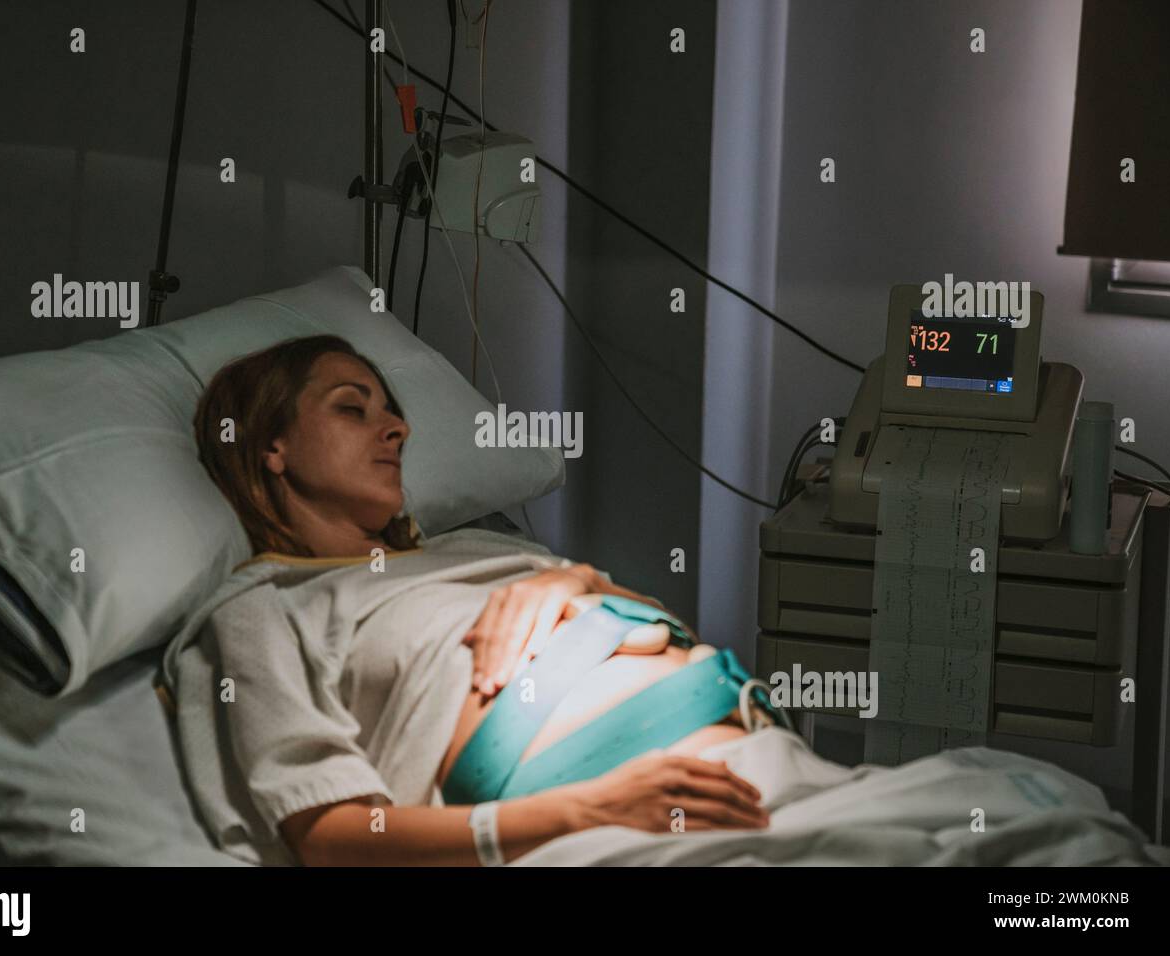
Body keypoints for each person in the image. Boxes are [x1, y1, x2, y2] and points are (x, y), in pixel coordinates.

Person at [193, 334, 769, 866]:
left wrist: (577, 581)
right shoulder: (264, 606)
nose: (397, 428)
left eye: (393, 411)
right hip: (606, 815)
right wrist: (588, 810)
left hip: (752, 744)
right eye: (352, 407)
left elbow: (663, 625)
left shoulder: (474, 545)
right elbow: (328, 837)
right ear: (273, 445)